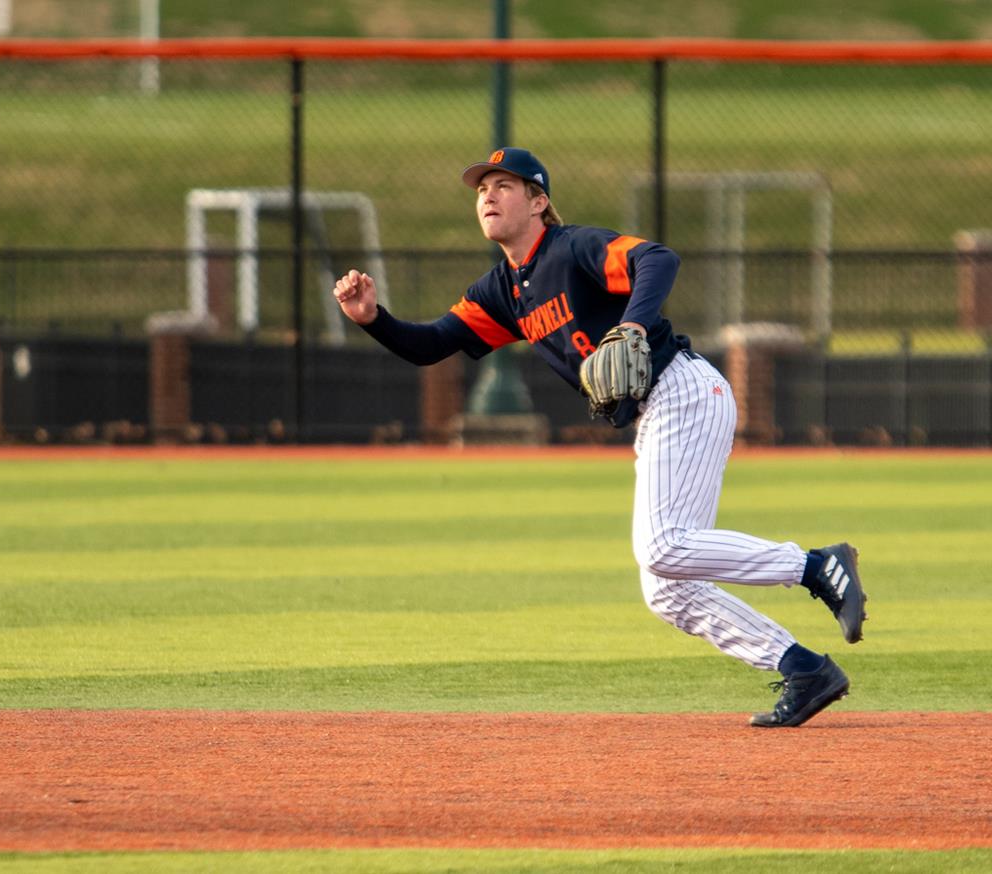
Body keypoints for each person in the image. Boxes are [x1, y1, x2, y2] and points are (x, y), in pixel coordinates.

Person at [332, 147, 868, 728]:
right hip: (659, 410)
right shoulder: (503, 290)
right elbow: (431, 343)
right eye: (481, 188)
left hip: (682, 389)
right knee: (667, 590)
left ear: (539, 202)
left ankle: (816, 566)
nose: (487, 194)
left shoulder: (571, 248)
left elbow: (657, 258)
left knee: (662, 547)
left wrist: (633, 323)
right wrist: (372, 319)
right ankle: (804, 668)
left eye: (504, 185)